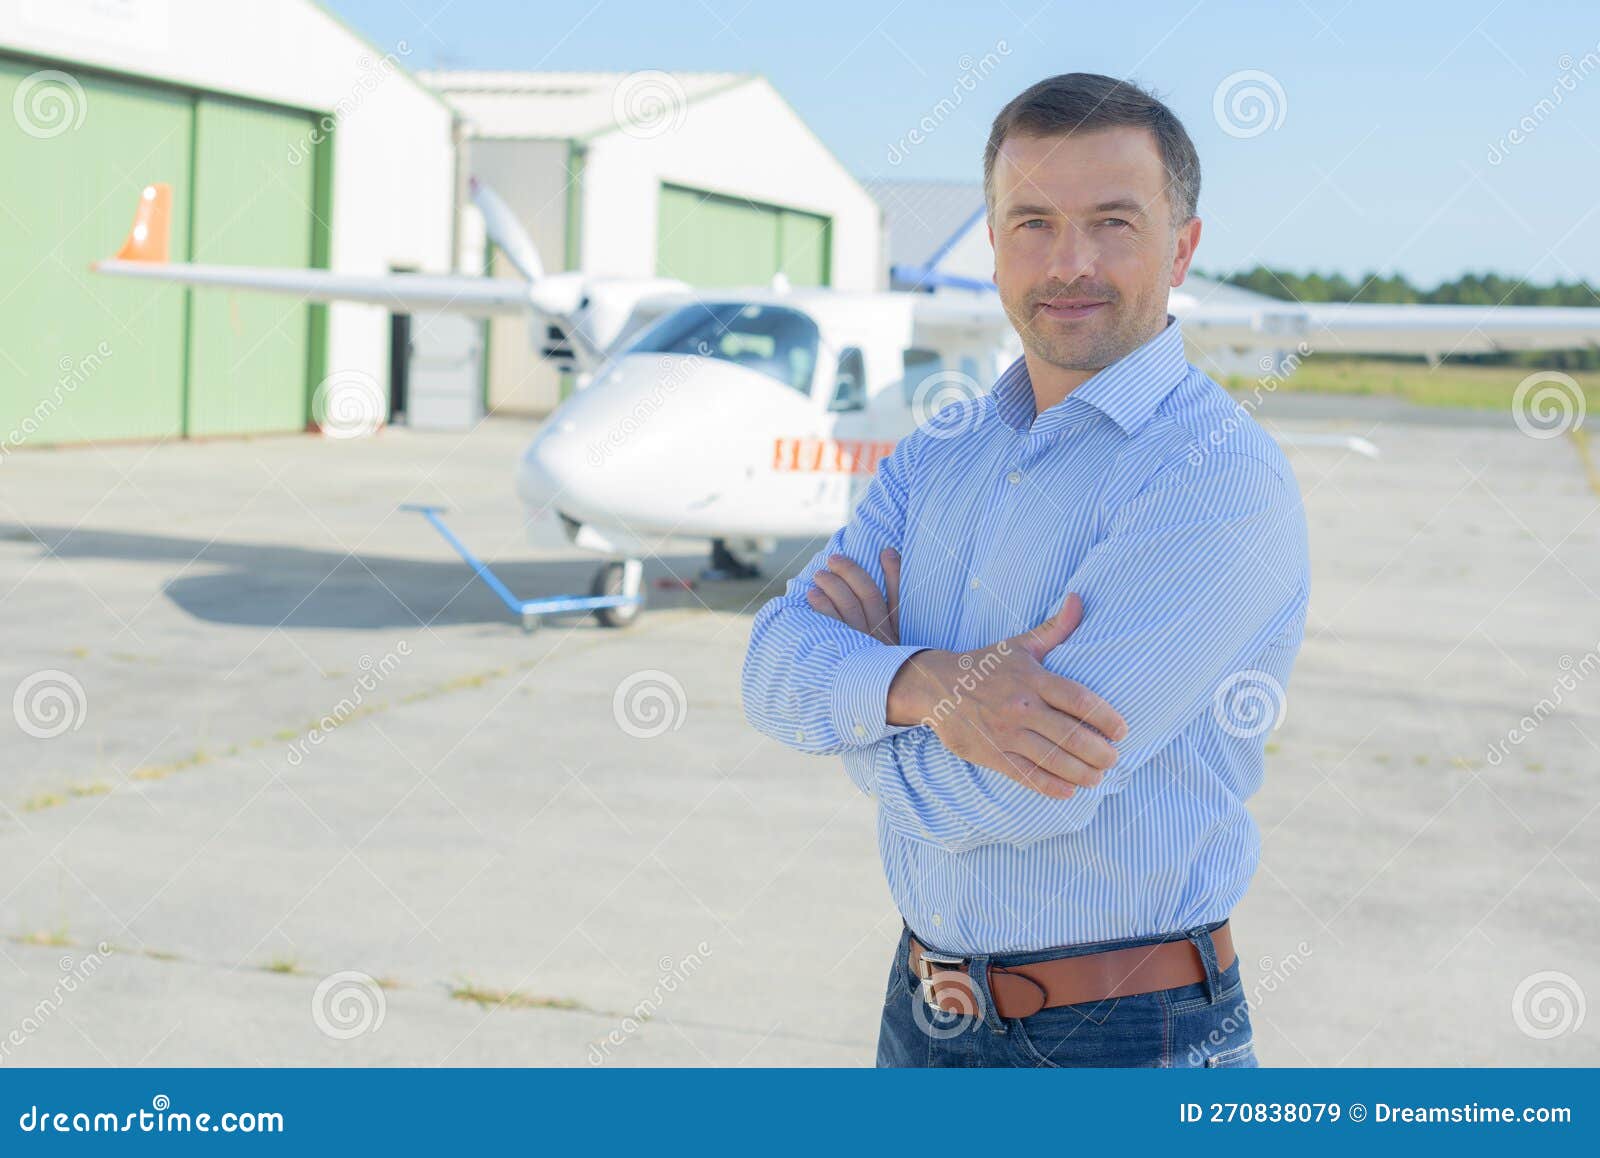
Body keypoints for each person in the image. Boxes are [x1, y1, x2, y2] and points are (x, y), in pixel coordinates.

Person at [741, 72, 1309, 1067]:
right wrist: (930, 688)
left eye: (1113, 223)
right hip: (922, 1013)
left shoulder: (1214, 477)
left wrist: (861, 707)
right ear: (996, 245)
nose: (1068, 262)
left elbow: (1011, 795)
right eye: (1033, 222)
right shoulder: (939, 452)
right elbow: (769, 668)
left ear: (1181, 247)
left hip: (1122, 1040)